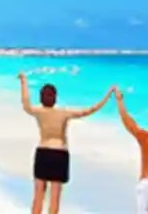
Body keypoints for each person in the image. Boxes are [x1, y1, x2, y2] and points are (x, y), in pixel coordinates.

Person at [18, 71, 114, 214]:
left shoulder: (38, 112)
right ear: (55, 98)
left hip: (43, 152)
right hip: (59, 154)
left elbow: (26, 104)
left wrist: (24, 81)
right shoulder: (64, 113)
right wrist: (108, 95)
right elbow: (89, 110)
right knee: (55, 198)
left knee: (38, 196)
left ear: (41, 98)